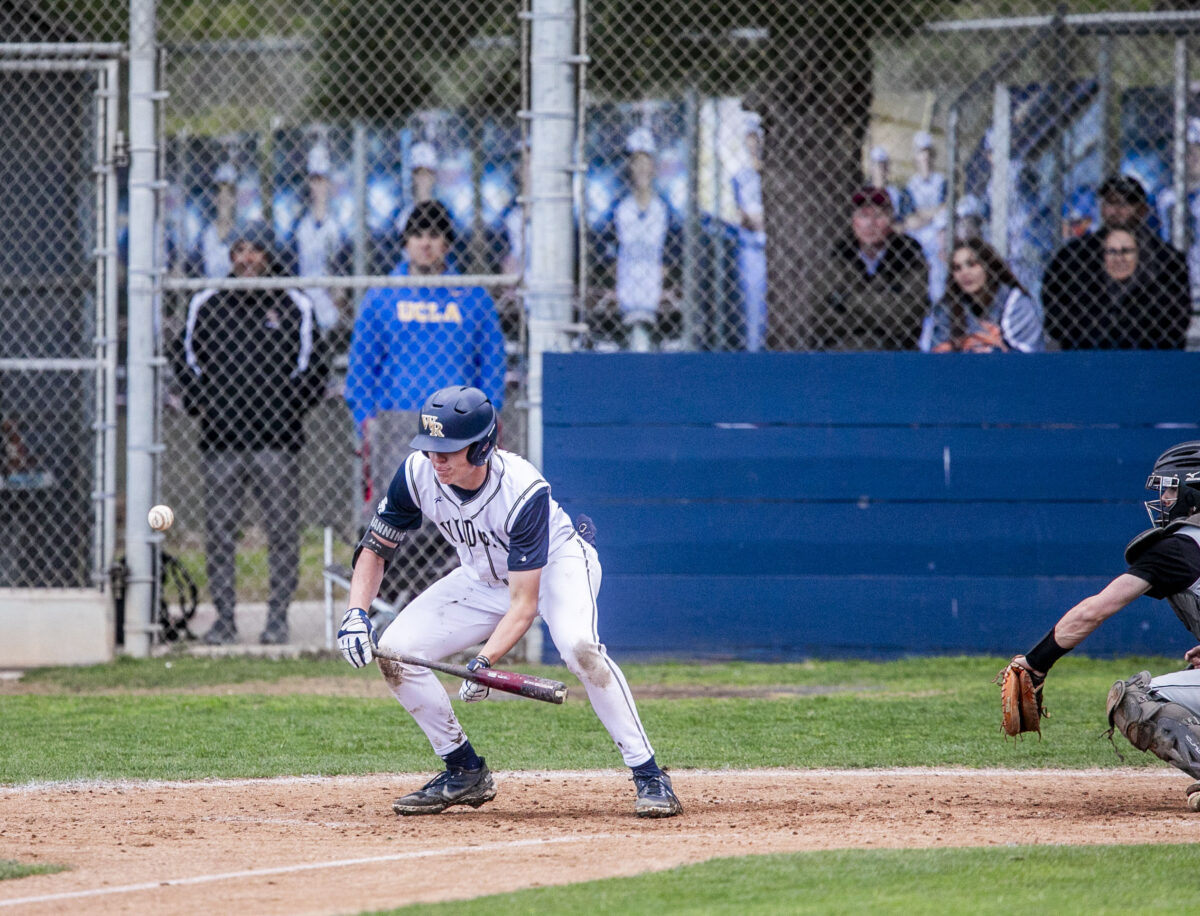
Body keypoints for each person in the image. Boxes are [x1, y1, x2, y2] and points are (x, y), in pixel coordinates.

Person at [335, 385, 683, 819]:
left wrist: (482, 661)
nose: (436, 459)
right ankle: (463, 770)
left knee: (581, 650)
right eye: (430, 448)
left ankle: (649, 775)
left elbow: (523, 604)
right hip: (482, 577)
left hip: (557, 568)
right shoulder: (416, 474)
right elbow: (375, 548)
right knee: (397, 653)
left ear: (481, 447)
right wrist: (355, 613)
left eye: (449, 449)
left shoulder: (522, 490)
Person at [1007, 440, 1200, 812]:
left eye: (1172, 487)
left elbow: (1095, 611)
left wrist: (1036, 663)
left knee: (1133, 699)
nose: (1164, 499)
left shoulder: (1181, 547)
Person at [171, 221, 328, 645]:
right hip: (220, 442)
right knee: (220, 534)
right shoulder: (208, 301)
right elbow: (182, 357)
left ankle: (277, 618)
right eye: (239, 249)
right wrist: (205, 403)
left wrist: (283, 408)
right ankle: (224, 620)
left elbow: (316, 366)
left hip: (277, 443)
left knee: (282, 531)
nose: (246, 258)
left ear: (269, 255)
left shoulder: (293, 302)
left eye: (255, 250)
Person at [344, 201, 506, 602]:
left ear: (447, 243)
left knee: (462, 517)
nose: (426, 244)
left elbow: (493, 365)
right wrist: (367, 421)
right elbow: (361, 369)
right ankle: (388, 604)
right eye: (418, 235)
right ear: (405, 242)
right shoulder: (383, 297)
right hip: (397, 423)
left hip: (460, 430)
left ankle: (460, 601)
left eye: (435, 235)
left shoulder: (472, 297)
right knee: (395, 515)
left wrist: (486, 420)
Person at [1041, 174, 1189, 350]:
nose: (1118, 210)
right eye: (1111, 202)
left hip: (1148, 353)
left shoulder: (1165, 258)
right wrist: (1089, 329)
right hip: (1086, 351)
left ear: (1143, 209)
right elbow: (1054, 304)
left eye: (1127, 203)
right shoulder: (1075, 256)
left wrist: (1132, 328)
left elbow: (1177, 316)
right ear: (1102, 208)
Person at [812, 186, 928, 350]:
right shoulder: (840, 254)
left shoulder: (909, 254)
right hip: (841, 352)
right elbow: (821, 319)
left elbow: (906, 318)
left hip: (894, 352)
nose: (870, 224)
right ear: (853, 221)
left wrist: (846, 299)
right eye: (863, 215)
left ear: (891, 219)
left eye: (878, 216)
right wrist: (882, 309)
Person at [598, 127, 682, 352]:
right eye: (636, 162)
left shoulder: (664, 210)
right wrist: (612, 279)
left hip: (655, 294)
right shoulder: (619, 209)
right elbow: (605, 249)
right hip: (626, 292)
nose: (642, 168)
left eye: (646, 161)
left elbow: (674, 251)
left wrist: (667, 279)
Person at [921, 237, 1044, 353]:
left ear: (988, 267)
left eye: (972, 264)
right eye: (957, 268)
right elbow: (937, 354)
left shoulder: (1016, 303)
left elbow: (1028, 355)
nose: (965, 273)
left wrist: (996, 350)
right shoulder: (948, 308)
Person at [288, 145, 348, 333]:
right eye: (314, 180)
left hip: (330, 307)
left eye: (322, 180)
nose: (318, 186)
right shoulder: (300, 226)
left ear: (329, 183)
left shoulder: (337, 227)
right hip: (304, 302)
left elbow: (340, 269)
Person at [732, 113, 768, 351]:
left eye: (756, 137)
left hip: (775, 246)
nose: (752, 143)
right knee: (753, 310)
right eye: (748, 138)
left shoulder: (773, 175)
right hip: (752, 249)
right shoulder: (739, 177)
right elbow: (738, 215)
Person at [903, 131, 948, 302]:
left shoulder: (941, 181)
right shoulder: (910, 186)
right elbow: (909, 221)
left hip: (938, 242)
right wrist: (934, 212)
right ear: (915, 156)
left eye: (928, 152)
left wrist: (921, 213)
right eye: (921, 152)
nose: (925, 158)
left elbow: (947, 209)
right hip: (918, 242)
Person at [191, 162, 241, 279]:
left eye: (229, 193)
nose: (224, 197)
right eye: (219, 192)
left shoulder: (243, 232)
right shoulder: (206, 235)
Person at [867, 145, 913, 227]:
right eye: (877, 164)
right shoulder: (865, 192)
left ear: (887, 167)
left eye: (883, 164)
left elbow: (906, 218)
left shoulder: (897, 192)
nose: (880, 168)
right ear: (871, 168)